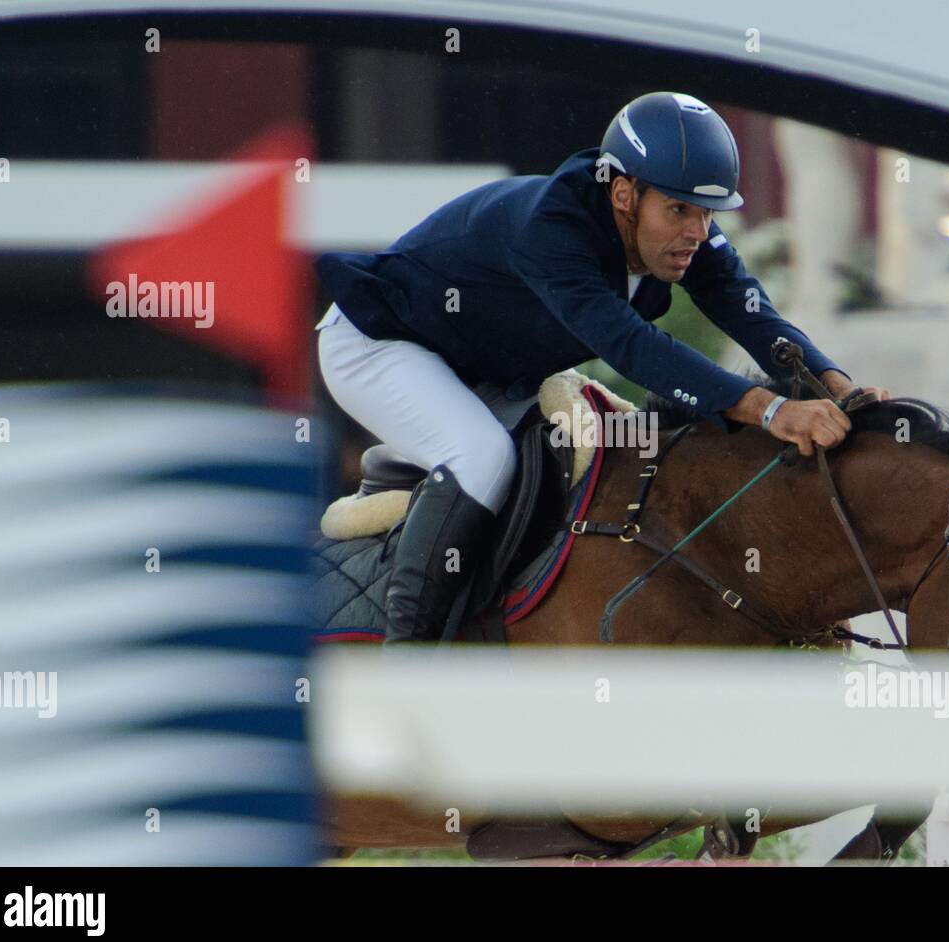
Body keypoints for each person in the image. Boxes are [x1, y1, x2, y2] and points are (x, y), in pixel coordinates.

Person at [314, 91, 891, 644]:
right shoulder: (553, 231)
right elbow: (631, 347)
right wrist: (771, 411)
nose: (698, 231)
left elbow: (754, 316)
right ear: (623, 193)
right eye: (679, 209)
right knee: (482, 456)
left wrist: (840, 390)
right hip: (375, 344)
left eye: (709, 214)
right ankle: (409, 656)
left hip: (481, 367)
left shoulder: (686, 238)